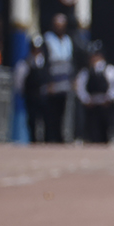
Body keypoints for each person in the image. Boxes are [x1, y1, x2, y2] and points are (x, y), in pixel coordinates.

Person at [75, 44, 114, 144]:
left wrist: (108, 99)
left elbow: (113, 86)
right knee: (93, 133)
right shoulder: (85, 72)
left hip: (105, 105)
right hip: (92, 105)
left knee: (107, 131)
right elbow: (80, 88)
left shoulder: (109, 69)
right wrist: (86, 100)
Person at [43, 14, 76, 143]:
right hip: (52, 83)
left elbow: (72, 62)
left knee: (63, 112)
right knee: (51, 113)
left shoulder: (68, 40)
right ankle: (50, 138)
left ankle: (61, 137)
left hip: (65, 83)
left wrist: (73, 79)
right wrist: (48, 81)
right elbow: (45, 63)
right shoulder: (48, 40)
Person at [15, 37, 49, 143]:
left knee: (46, 120)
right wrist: (23, 92)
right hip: (31, 96)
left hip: (44, 96)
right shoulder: (25, 64)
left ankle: (45, 141)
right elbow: (19, 81)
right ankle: (33, 141)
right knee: (32, 121)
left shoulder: (45, 63)